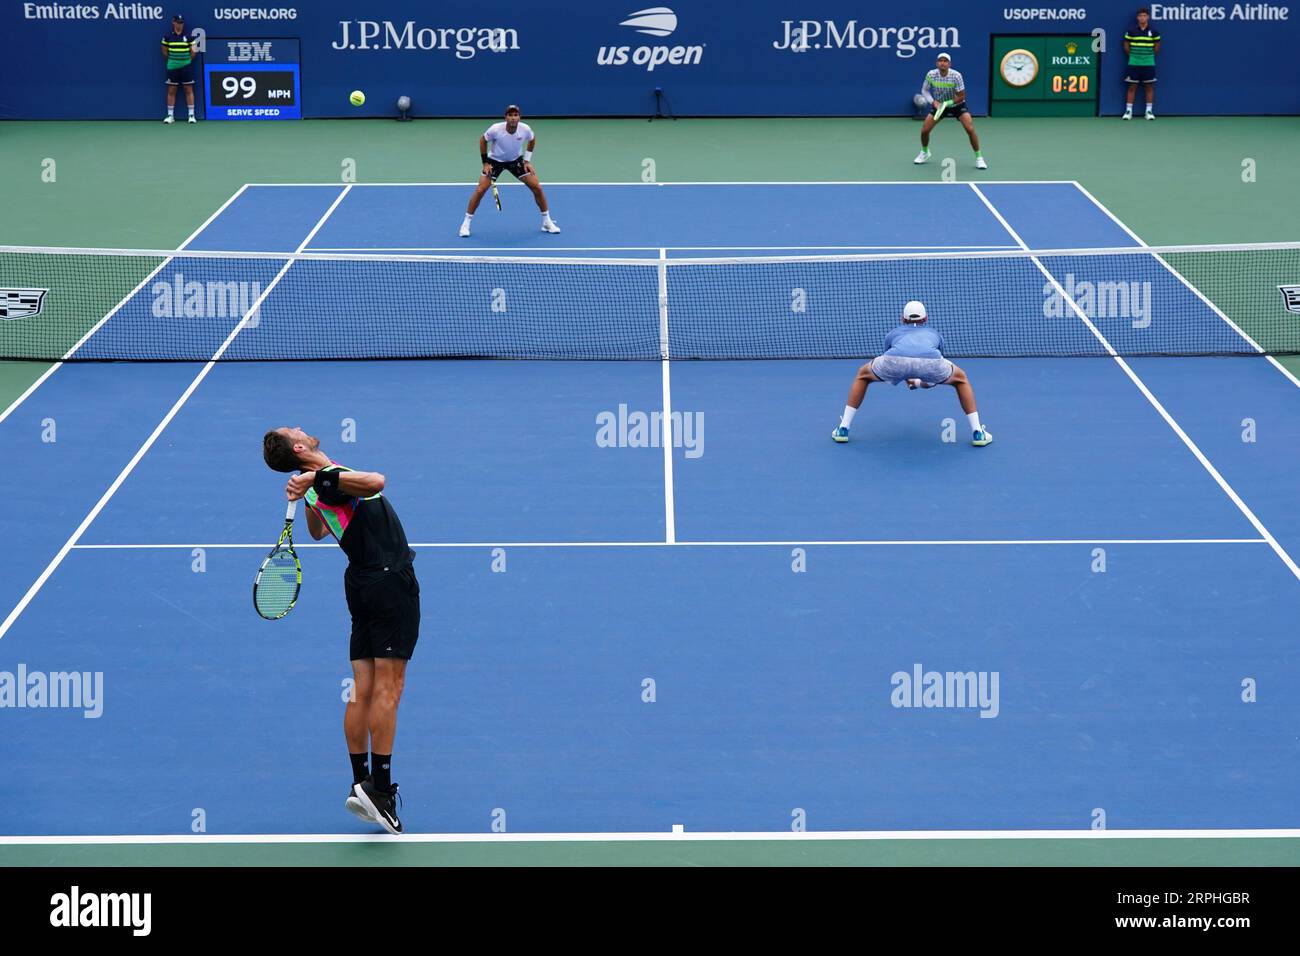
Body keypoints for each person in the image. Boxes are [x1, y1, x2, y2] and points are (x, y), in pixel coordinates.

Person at [262, 426, 420, 834]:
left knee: (362, 687)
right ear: (299, 447)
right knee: (389, 687)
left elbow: (318, 530)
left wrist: (310, 490)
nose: (302, 427)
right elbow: (376, 481)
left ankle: (358, 783)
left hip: (361, 583)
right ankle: (381, 790)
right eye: (294, 430)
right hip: (387, 582)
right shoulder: (328, 480)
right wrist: (318, 479)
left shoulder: (320, 483)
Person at [832, 301, 992, 446]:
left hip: (894, 361)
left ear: (902, 319)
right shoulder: (935, 334)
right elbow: (935, 360)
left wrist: (906, 375)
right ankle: (978, 432)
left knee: (863, 375)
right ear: (926, 318)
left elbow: (893, 360)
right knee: (960, 379)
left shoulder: (893, 333)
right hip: (931, 363)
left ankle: (843, 428)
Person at [460, 105, 560, 237]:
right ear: (505, 117)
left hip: (515, 161)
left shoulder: (525, 129)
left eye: (515, 115)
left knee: (537, 187)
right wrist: (485, 163)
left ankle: (546, 222)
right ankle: (466, 224)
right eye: (510, 115)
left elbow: (532, 140)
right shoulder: (496, 129)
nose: (513, 118)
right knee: (480, 190)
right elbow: (483, 140)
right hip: (495, 162)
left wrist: (527, 161)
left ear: (519, 117)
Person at [913, 54, 986, 169]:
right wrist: (933, 102)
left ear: (949, 64)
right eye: (940, 61)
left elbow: (962, 96)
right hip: (939, 105)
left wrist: (947, 103)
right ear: (937, 63)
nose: (942, 63)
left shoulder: (956, 76)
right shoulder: (931, 74)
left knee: (970, 129)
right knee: (925, 130)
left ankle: (979, 158)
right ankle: (925, 152)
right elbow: (924, 90)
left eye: (945, 61)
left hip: (957, 104)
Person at [1123, 9, 1161, 120]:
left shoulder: (1154, 32)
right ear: (1137, 18)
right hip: (1134, 63)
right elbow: (1126, 46)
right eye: (1140, 16)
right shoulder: (1131, 31)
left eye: (1144, 15)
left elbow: (1157, 47)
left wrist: (1148, 56)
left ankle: (1148, 112)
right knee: (1132, 87)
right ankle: (1128, 111)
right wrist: (1134, 56)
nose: (1142, 18)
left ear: (1148, 17)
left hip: (1149, 63)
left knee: (1149, 87)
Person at [161, 13, 198, 125]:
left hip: (186, 66)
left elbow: (194, 51)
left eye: (181, 23)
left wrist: (186, 61)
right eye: (178, 22)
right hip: (172, 66)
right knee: (172, 90)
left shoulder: (189, 37)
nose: (180, 25)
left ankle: (191, 115)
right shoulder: (167, 37)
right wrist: (173, 61)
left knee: (188, 89)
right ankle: (170, 116)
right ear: (173, 22)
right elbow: (164, 51)